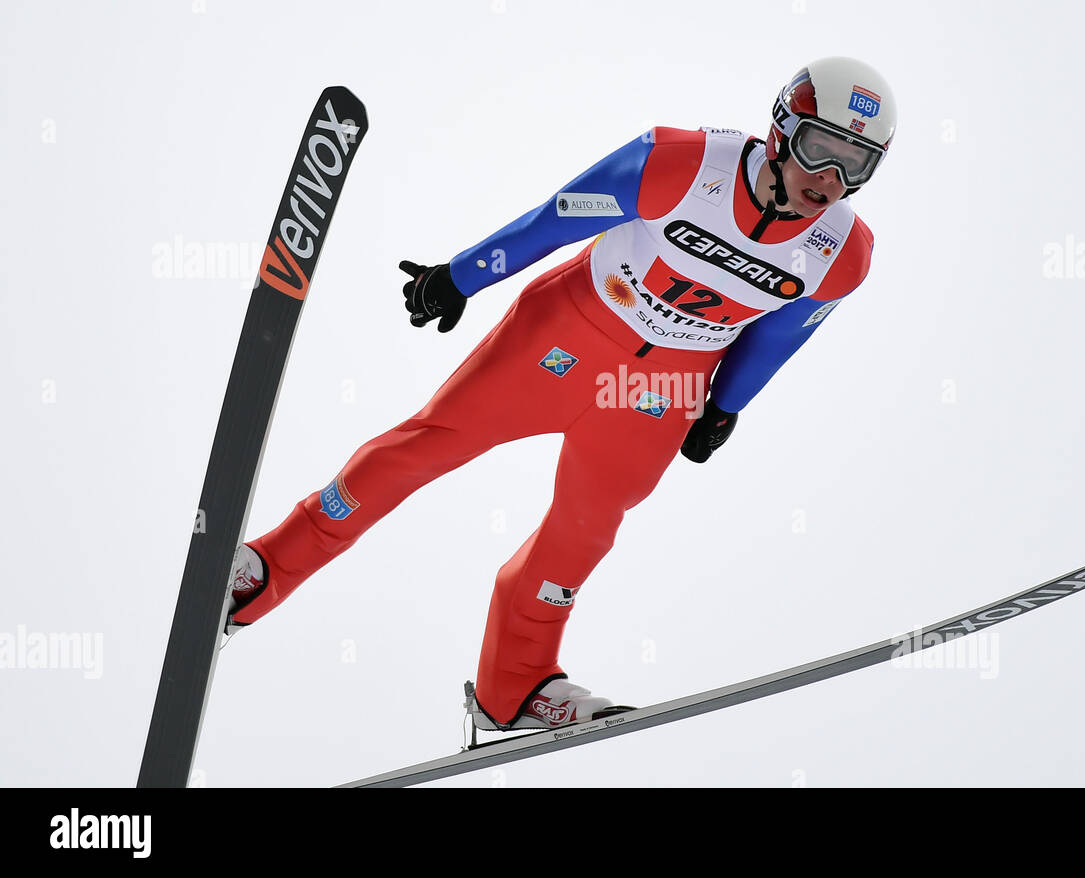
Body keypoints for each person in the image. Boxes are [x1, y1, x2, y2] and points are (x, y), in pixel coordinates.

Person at [225, 56, 898, 732]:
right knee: (425, 448)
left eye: (856, 165)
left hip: (662, 388)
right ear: (782, 128)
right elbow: (558, 217)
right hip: (568, 332)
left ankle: (513, 688)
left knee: (587, 528)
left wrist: (725, 407)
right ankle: (264, 567)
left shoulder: (843, 252)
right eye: (820, 151)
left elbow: (778, 337)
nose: (830, 181)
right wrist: (460, 276)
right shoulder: (682, 164)